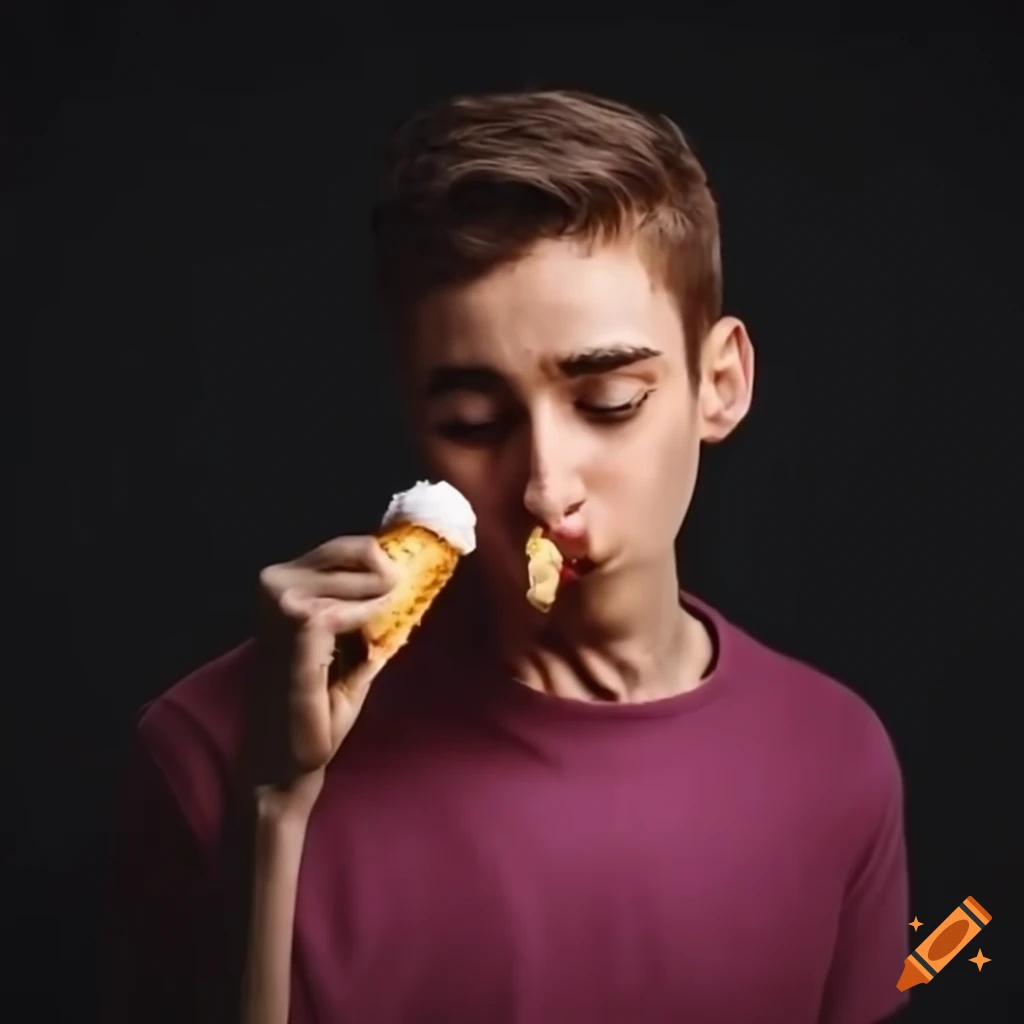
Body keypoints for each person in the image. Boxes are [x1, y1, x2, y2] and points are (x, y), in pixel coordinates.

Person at [100, 89, 910, 1024]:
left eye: (609, 401)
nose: (543, 486)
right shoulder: (208, 749)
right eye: (473, 423)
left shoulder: (835, 763)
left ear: (717, 385)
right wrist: (274, 810)